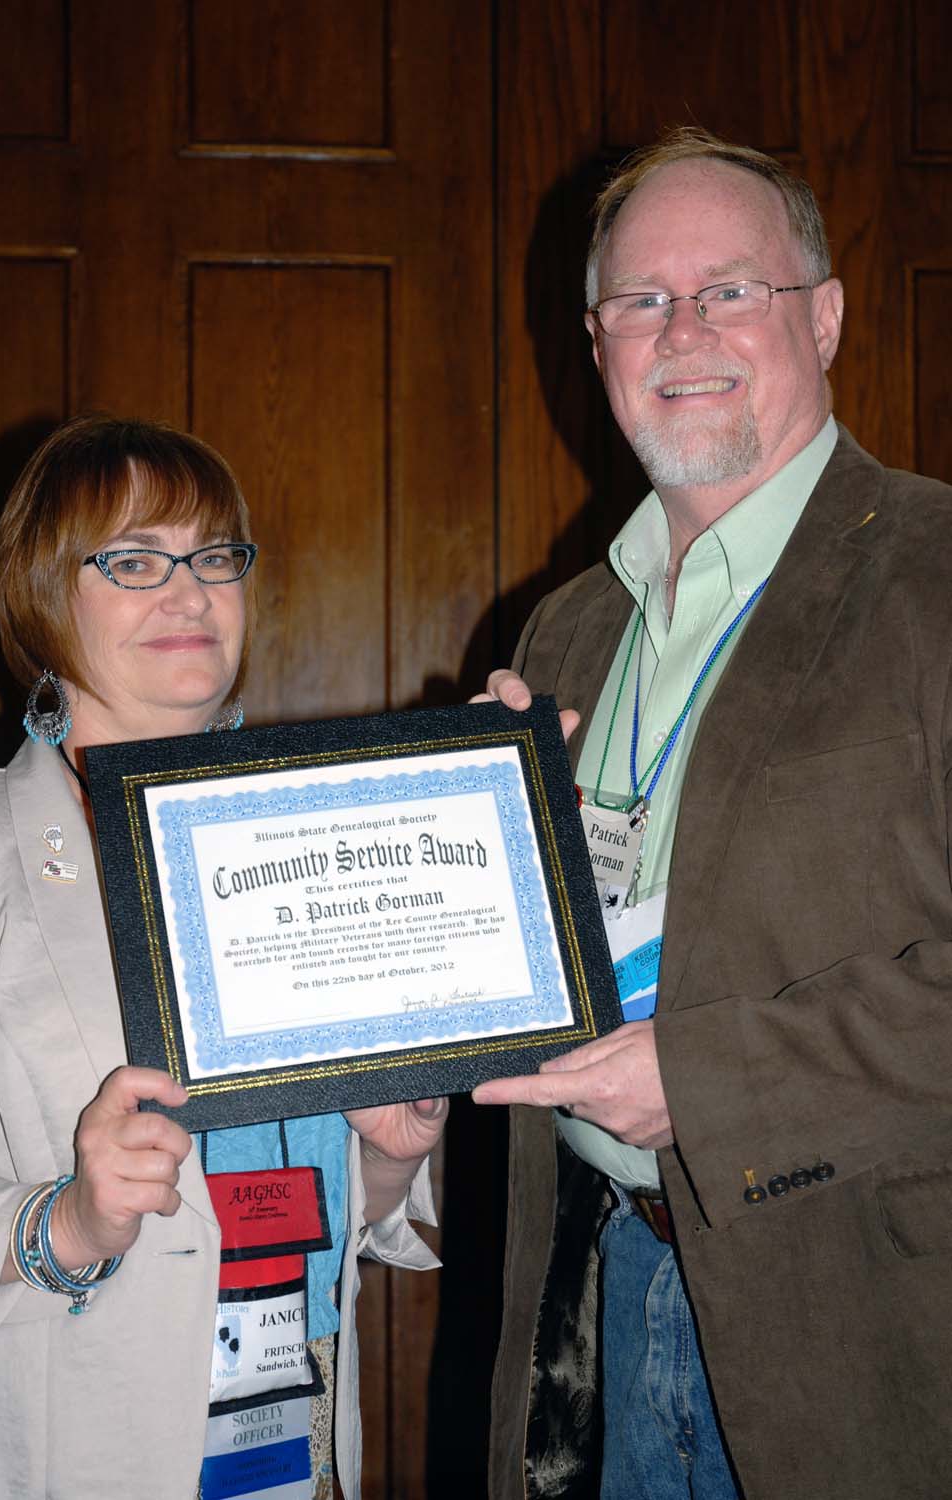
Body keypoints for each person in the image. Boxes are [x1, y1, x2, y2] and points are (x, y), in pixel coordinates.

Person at [472, 127, 952, 1500]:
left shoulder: (934, 575)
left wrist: (707, 1080)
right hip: (603, 1296)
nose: (682, 330)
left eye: (729, 289)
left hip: (868, 1337)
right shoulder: (564, 630)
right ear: (596, 342)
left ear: (824, 316)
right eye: (641, 300)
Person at [0, 414, 446, 1500]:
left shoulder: (312, 835)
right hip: (75, 1446)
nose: (190, 594)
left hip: (298, 1431)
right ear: (43, 592)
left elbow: (328, 1201)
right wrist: (62, 1225)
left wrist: (386, 1160)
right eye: (135, 562)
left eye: (215, 557)